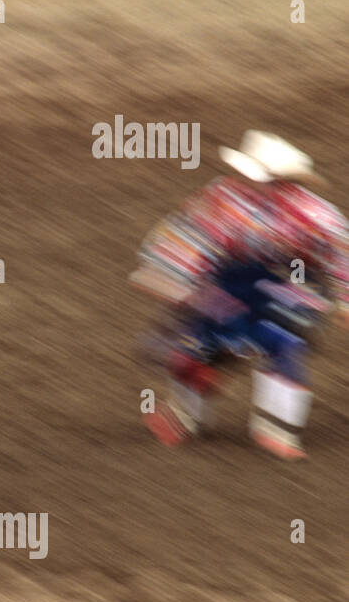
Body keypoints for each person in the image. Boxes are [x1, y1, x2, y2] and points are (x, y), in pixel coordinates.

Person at [134, 131, 349, 460]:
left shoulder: (314, 216)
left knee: (282, 342)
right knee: (197, 348)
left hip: (290, 285)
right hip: (229, 283)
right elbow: (185, 242)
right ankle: (184, 415)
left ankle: (278, 430)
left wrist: (346, 299)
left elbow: (339, 252)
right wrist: (176, 283)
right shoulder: (221, 201)